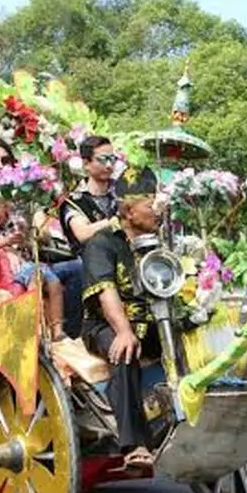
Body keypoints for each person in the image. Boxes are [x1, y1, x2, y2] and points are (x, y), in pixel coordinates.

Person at [79, 167, 167, 471]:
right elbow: (106, 293)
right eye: (150, 205)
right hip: (104, 324)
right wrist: (125, 331)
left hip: (154, 322)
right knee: (125, 352)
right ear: (128, 211)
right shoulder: (101, 244)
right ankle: (135, 443)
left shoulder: (160, 243)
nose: (158, 211)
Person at [0, 186, 68, 341]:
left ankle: (57, 328)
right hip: (11, 271)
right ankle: (36, 328)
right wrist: (5, 243)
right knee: (36, 280)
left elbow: (34, 241)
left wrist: (30, 235)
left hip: (30, 263)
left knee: (55, 283)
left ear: (5, 207)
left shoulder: (17, 222)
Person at [60, 135, 121, 252]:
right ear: (86, 163)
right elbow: (83, 234)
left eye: (112, 159)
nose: (109, 165)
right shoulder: (75, 201)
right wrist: (115, 221)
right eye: (103, 159)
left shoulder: (122, 190)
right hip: (92, 263)